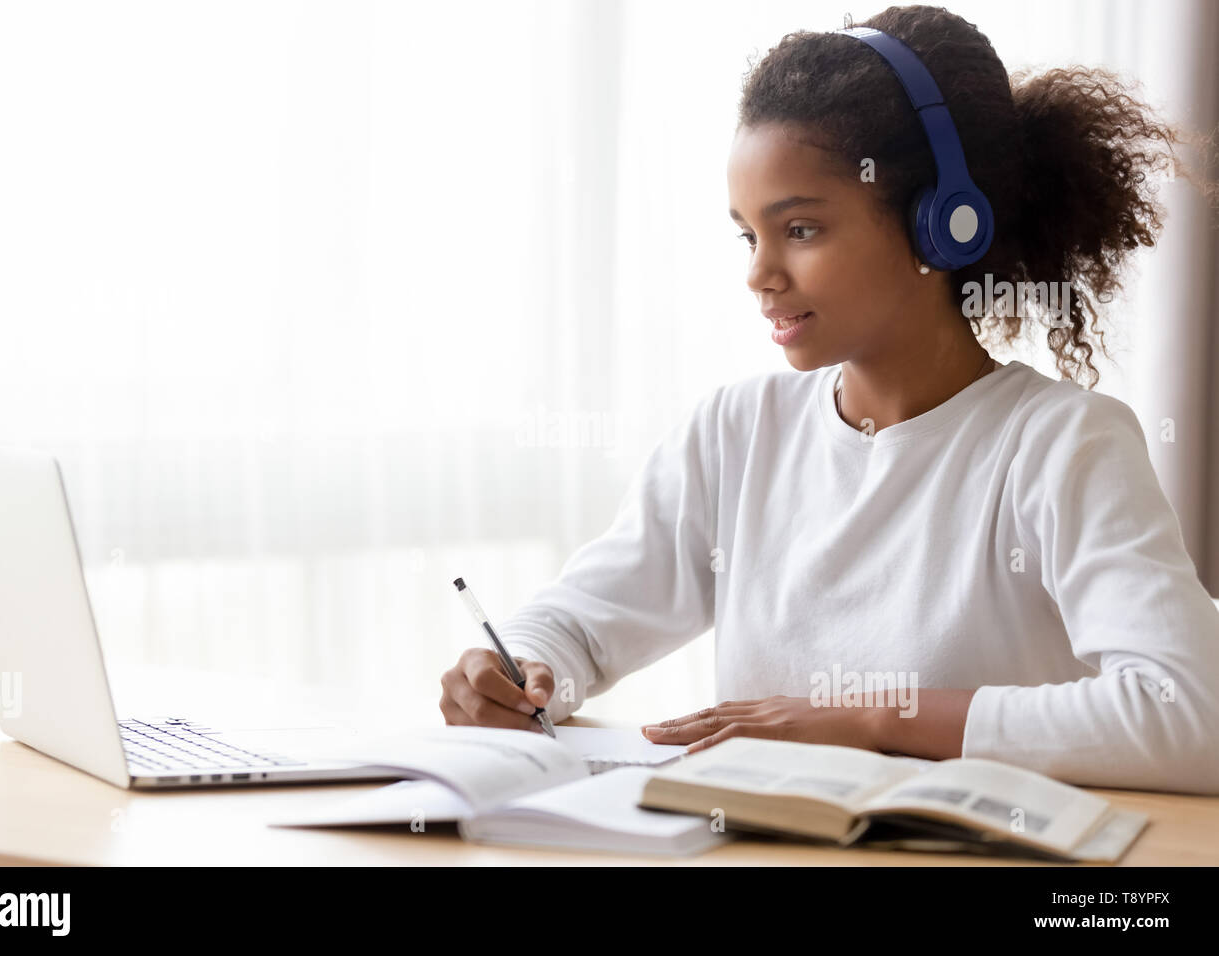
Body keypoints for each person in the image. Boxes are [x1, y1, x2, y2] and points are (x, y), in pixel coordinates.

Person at [439, 5, 1219, 793]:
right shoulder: (737, 435)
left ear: (942, 228)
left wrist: (874, 719)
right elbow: (578, 624)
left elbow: (1194, 715)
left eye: (801, 230)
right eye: (749, 235)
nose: (759, 274)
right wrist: (523, 669)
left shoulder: (1063, 446)